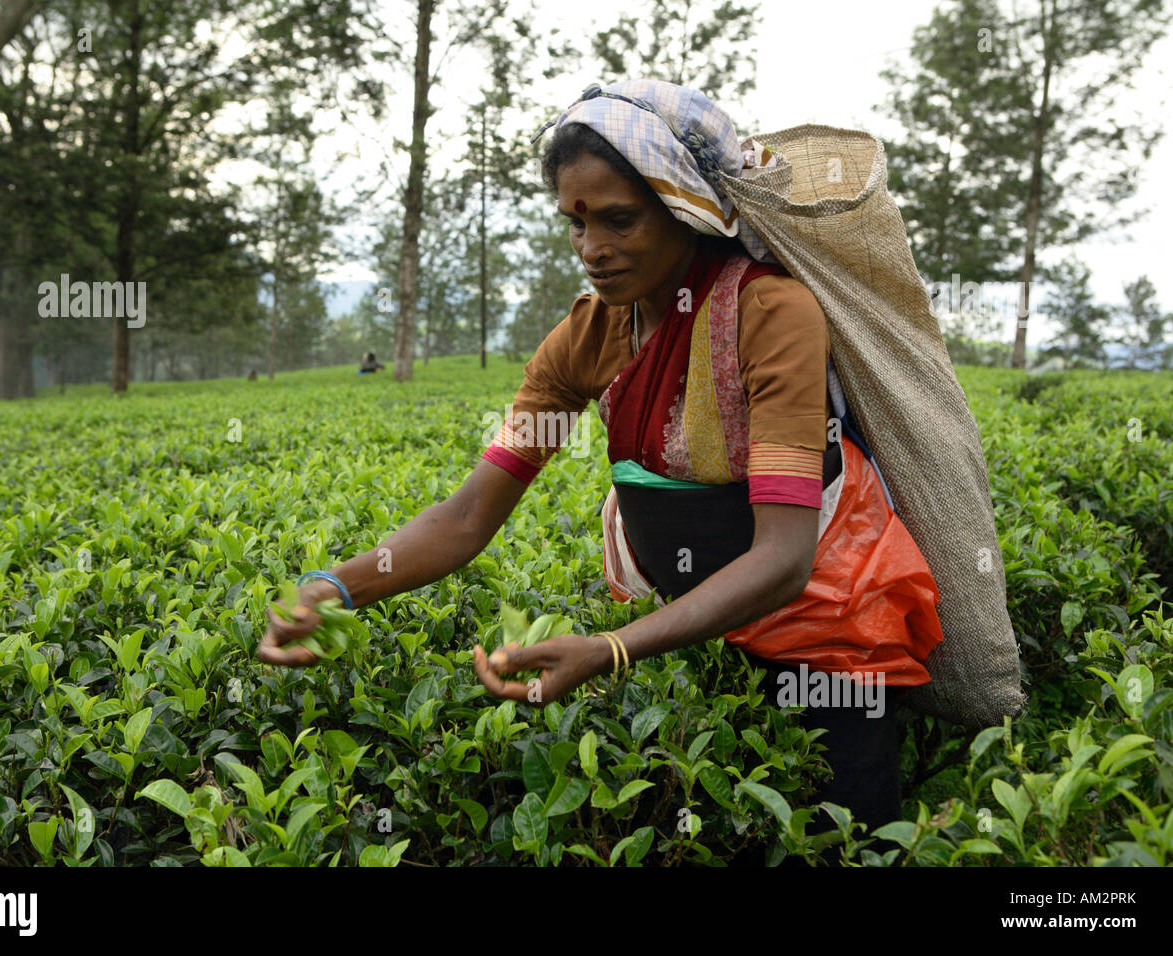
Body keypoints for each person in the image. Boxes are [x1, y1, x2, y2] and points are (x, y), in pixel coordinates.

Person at [257, 80, 943, 862]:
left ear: (684, 206)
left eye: (620, 219)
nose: (592, 247)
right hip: (694, 623)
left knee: (841, 841)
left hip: (828, 630)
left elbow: (784, 560)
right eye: (576, 222)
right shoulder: (586, 338)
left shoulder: (769, 314)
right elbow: (466, 516)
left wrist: (611, 650)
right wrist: (335, 588)